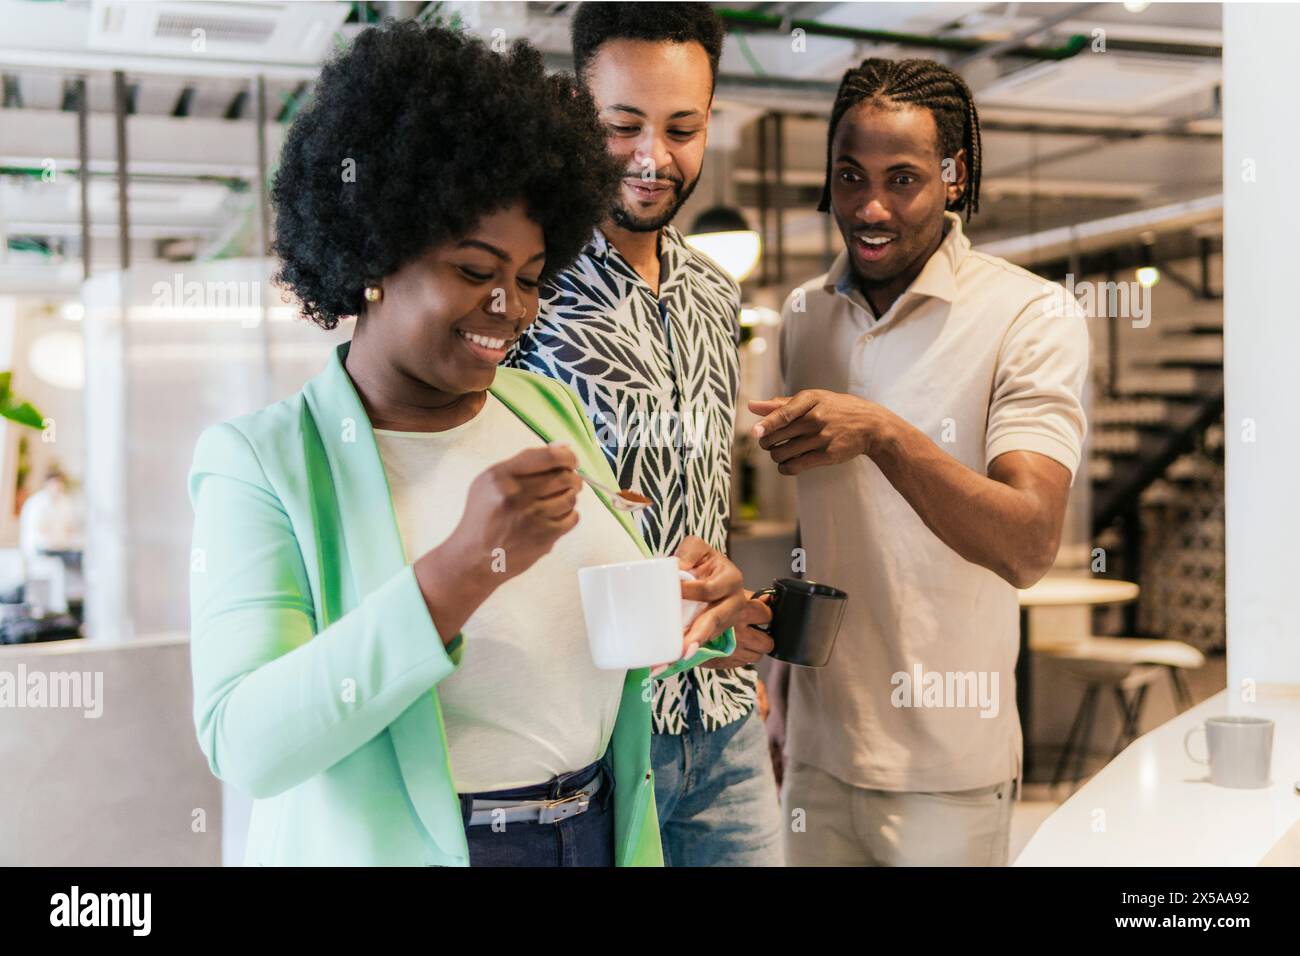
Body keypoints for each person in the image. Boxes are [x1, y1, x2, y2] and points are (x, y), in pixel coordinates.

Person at [188, 20, 745, 868]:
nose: (510, 310)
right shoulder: (263, 463)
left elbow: (560, 664)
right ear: (376, 249)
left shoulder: (545, 409)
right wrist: (460, 567)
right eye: (476, 272)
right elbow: (246, 742)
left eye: (529, 280)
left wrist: (685, 612)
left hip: (599, 832)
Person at [755, 58, 1089, 866]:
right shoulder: (805, 318)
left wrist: (883, 432)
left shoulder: (1031, 314)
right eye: (849, 176)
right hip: (818, 755)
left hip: (949, 771)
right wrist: (784, 695)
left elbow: (1029, 542)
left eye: (901, 179)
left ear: (954, 175)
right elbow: (831, 535)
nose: (869, 208)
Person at [505, 2, 783, 867]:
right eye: (622, 126)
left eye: (682, 127)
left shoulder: (714, 293)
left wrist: (735, 630)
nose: (653, 157)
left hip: (724, 718)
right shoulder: (524, 282)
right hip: (595, 732)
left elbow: (702, 504)